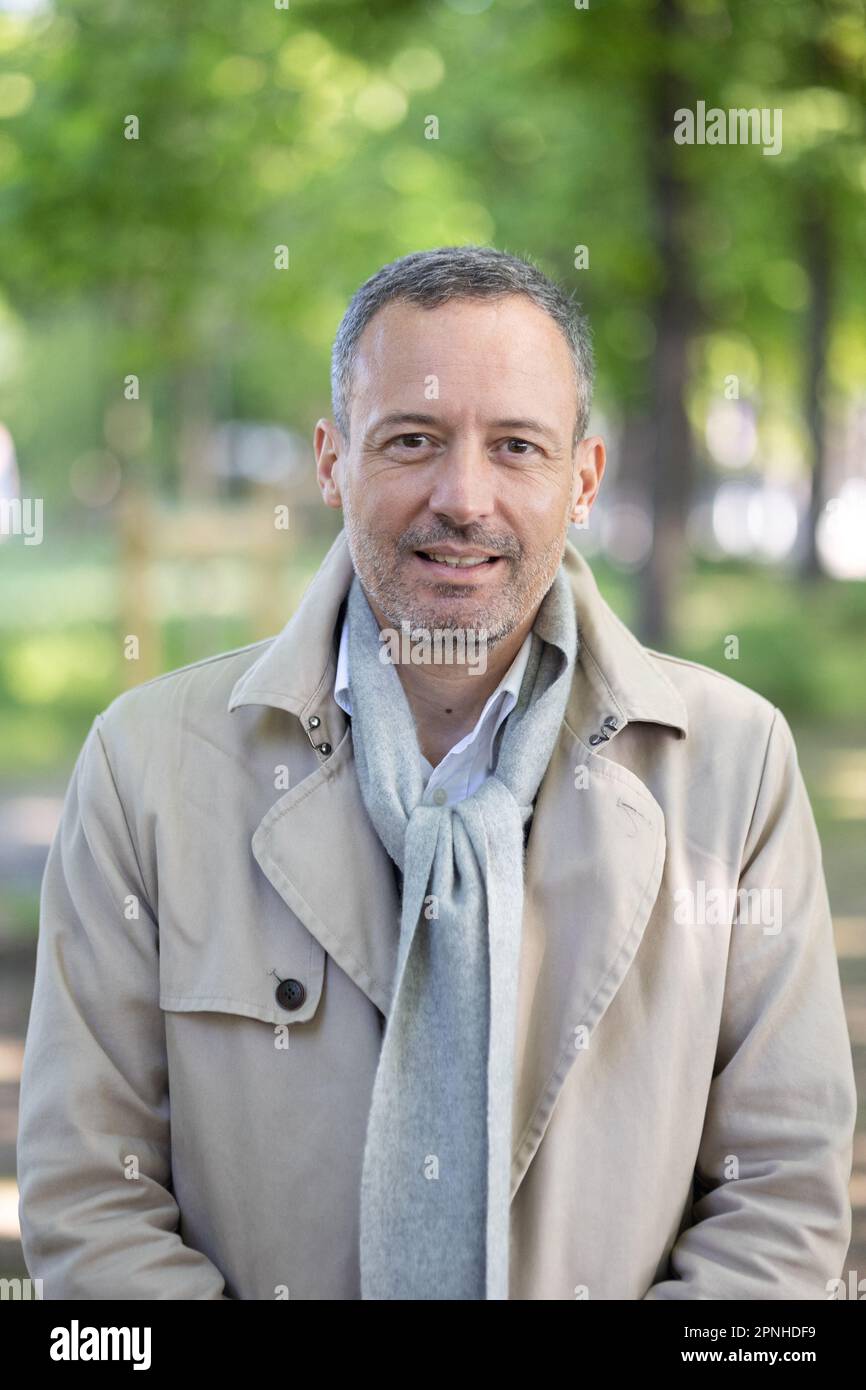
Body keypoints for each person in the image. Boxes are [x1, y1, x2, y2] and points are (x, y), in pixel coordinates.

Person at [17, 245, 857, 1300]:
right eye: (412, 440)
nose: (463, 497)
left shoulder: (735, 766)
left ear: (582, 478)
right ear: (331, 461)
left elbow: (783, 1198)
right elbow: (89, 1203)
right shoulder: (143, 768)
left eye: (516, 447)